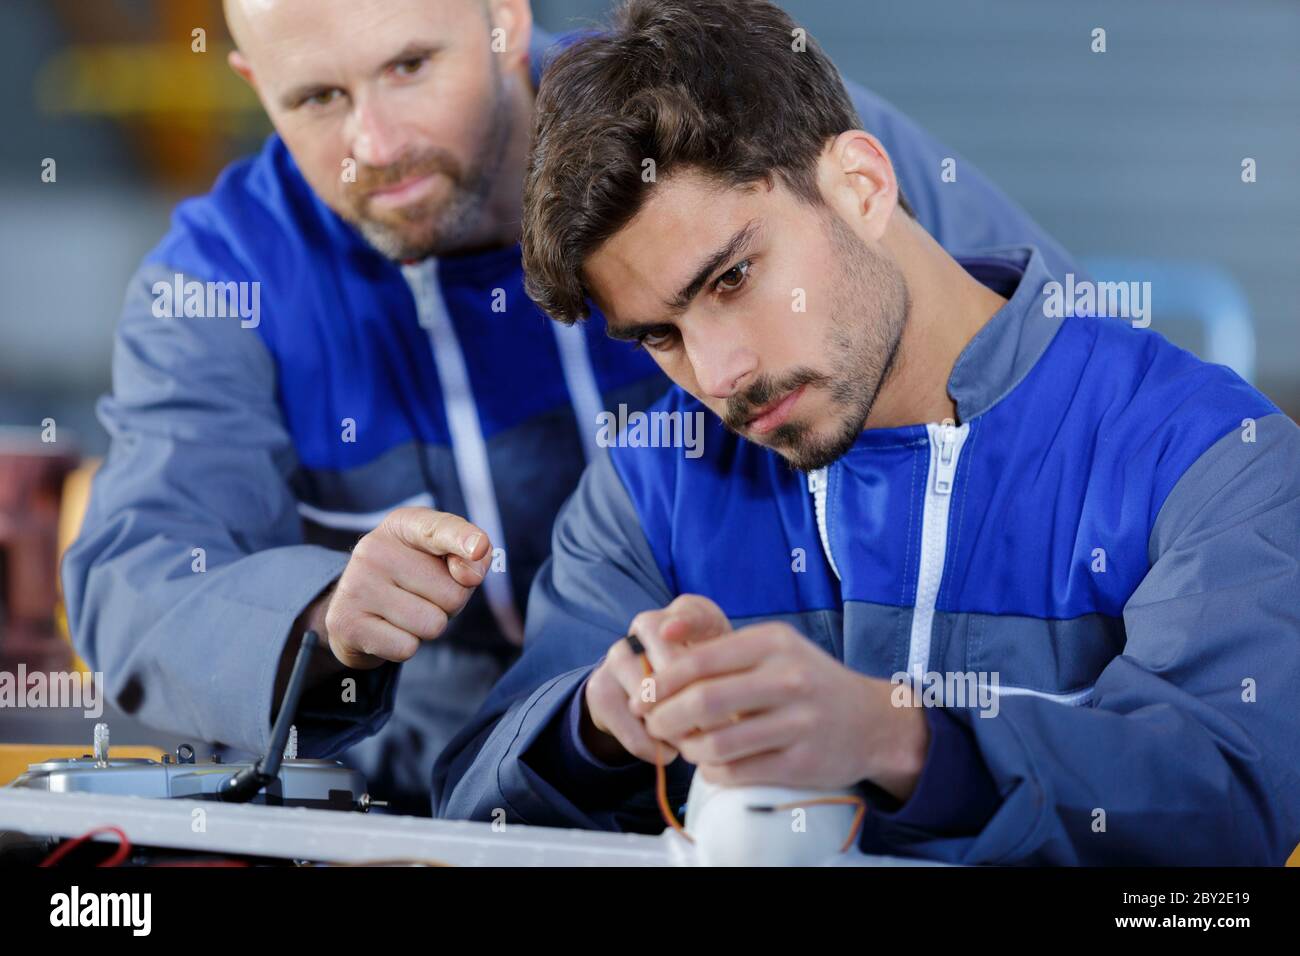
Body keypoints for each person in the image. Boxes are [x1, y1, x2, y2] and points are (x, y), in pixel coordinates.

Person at [63, 0, 1077, 815]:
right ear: (253, 82)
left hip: (807, 780)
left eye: (410, 66)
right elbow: (138, 571)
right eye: (317, 97)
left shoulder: (728, 117)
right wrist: (322, 619)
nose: (375, 142)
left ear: (503, 18)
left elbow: (1042, 371)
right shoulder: (226, 273)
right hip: (449, 798)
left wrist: (937, 726)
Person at [432, 0, 1300, 864]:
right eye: (661, 334)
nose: (720, 375)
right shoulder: (650, 480)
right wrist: (596, 728)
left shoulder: (1213, 458)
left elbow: (1229, 803)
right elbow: (473, 810)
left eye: (733, 278)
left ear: (863, 186)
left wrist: (899, 741)